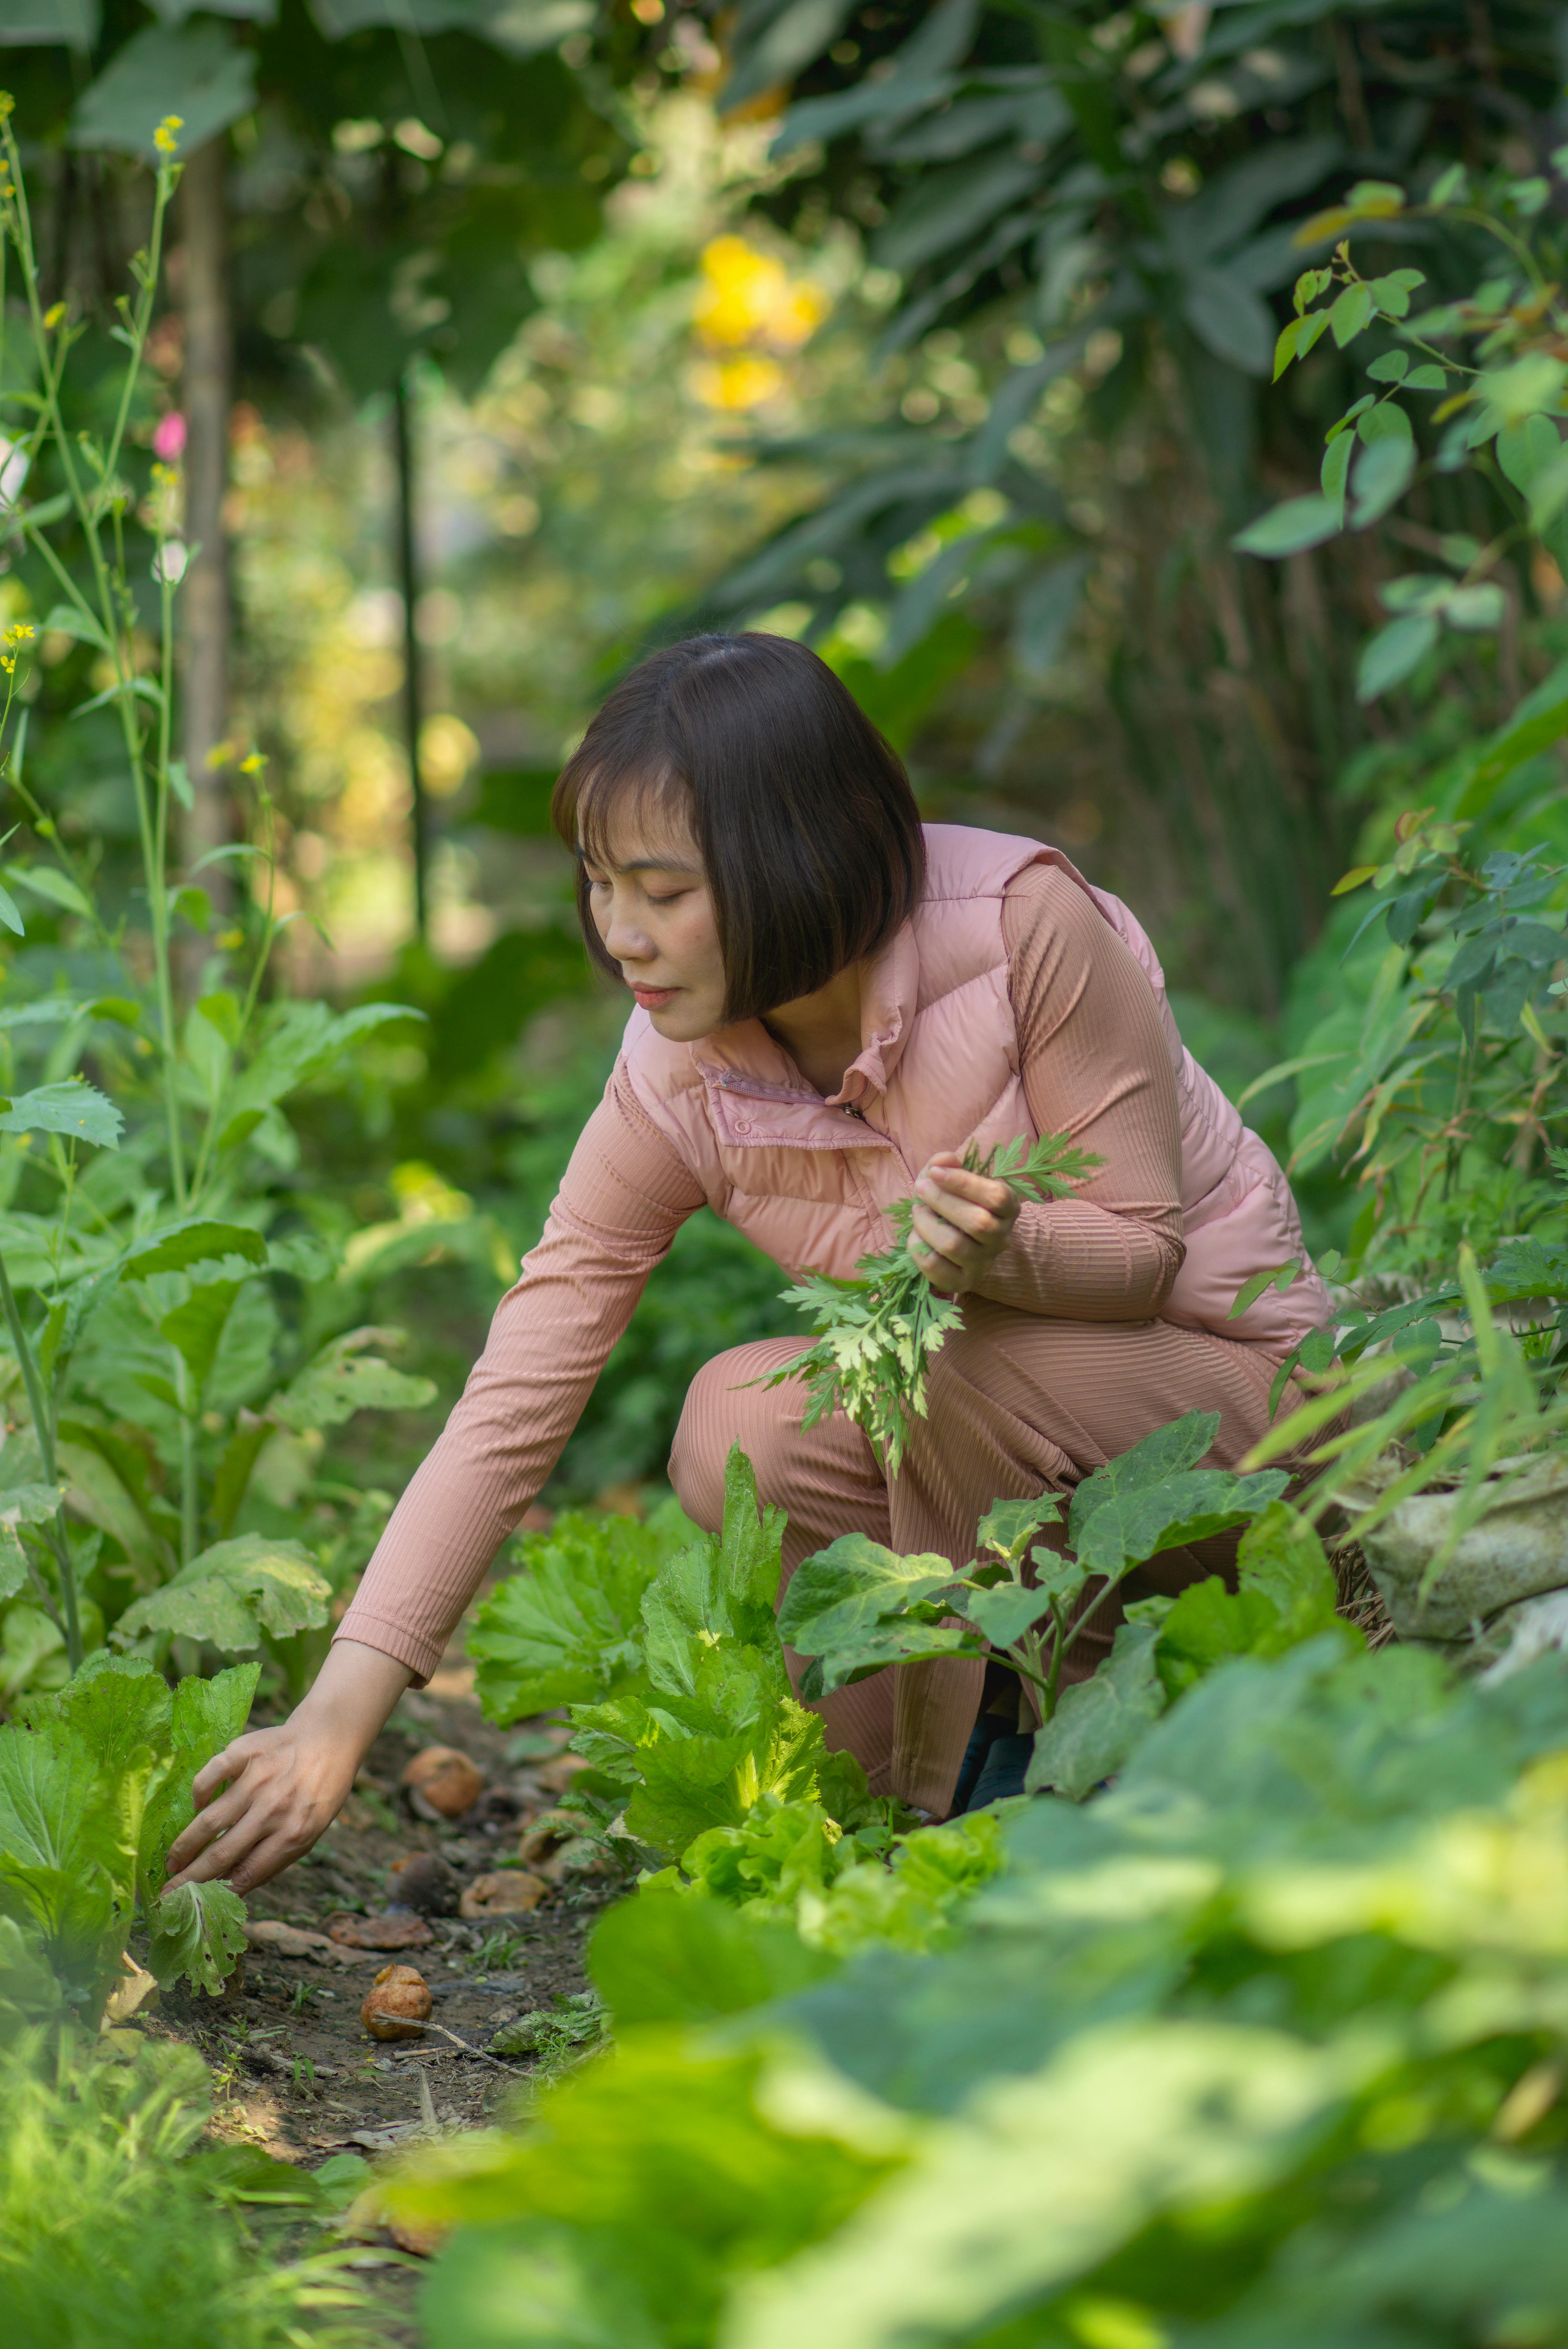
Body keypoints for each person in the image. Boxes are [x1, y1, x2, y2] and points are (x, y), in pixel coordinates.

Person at [167, 632, 1331, 1892]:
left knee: (944, 1351)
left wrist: (1010, 1245)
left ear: (795, 856)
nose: (621, 933)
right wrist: (338, 1717)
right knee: (742, 1415)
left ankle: (1034, 1774)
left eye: (663, 893)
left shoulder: (1021, 925)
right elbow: (523, 1383)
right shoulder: (679, 1067)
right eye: (600, 884)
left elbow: (1143, 1259)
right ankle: (868, 1819)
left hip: (1247, 1424)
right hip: (1018, 1461)